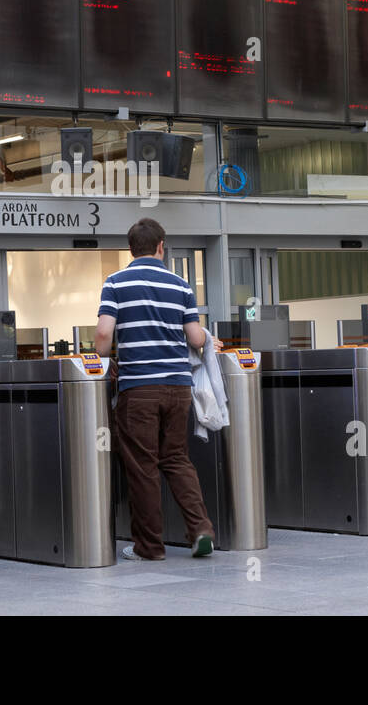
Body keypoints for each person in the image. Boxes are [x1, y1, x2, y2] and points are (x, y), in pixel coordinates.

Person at [96, 217, 222, 561]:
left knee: (143, 466)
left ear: (130, 248)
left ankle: (149, 547)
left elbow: (105, 336)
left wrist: (99, 359)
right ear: (161, 246)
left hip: (139, 389)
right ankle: (200, 530)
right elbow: (196, 338)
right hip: (178, 388)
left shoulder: (115, 283)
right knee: (177, 459)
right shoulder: (181, 284)